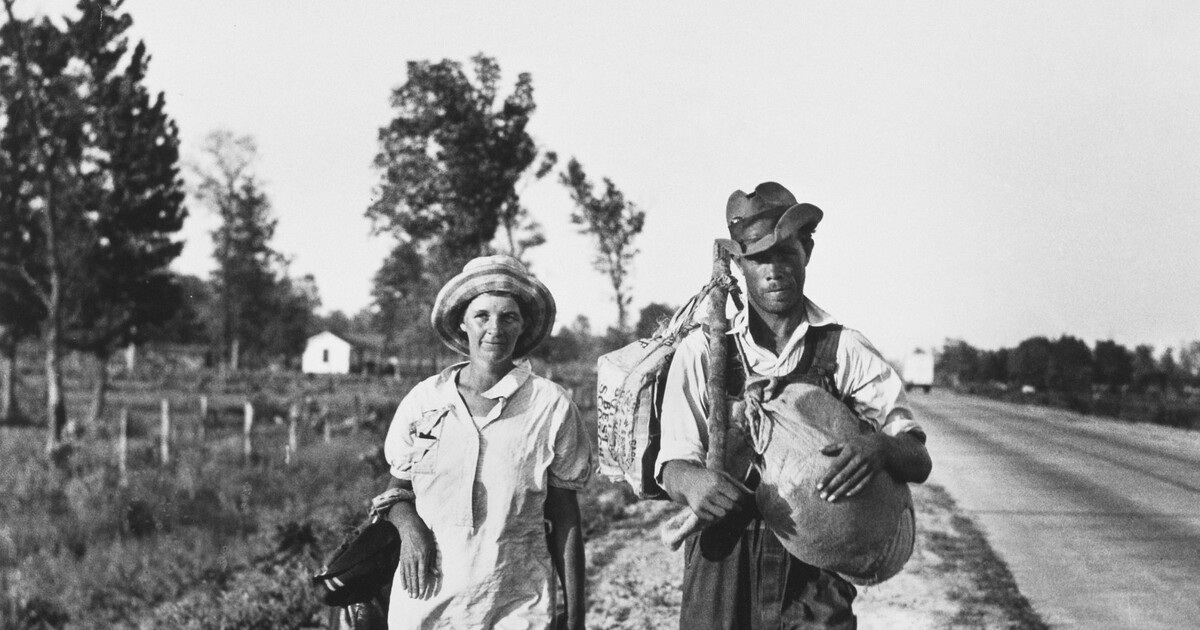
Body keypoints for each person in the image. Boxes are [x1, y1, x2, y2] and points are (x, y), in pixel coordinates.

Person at [655, 182, 932, 630]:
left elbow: (918, 459)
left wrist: (880, 447)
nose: (773, 271)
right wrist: (693, 482)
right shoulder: (704, 353)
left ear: (807, 251)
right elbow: (672, 466)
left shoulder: (845, 350)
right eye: (758, 258)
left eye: (785, 253)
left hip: (816, 576)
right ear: (739, 264)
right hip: (723, 565)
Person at [381, 255, 593, 630]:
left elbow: (565, 519)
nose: (495, 329)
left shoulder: (550, 405)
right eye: (482, 316)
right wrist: (409, 528)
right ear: (462, 323)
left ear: (522, 326)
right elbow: (396, 492)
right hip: (425, 605)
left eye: (508, 317)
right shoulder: (425, 400)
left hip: (515, 604)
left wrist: (576, 619)